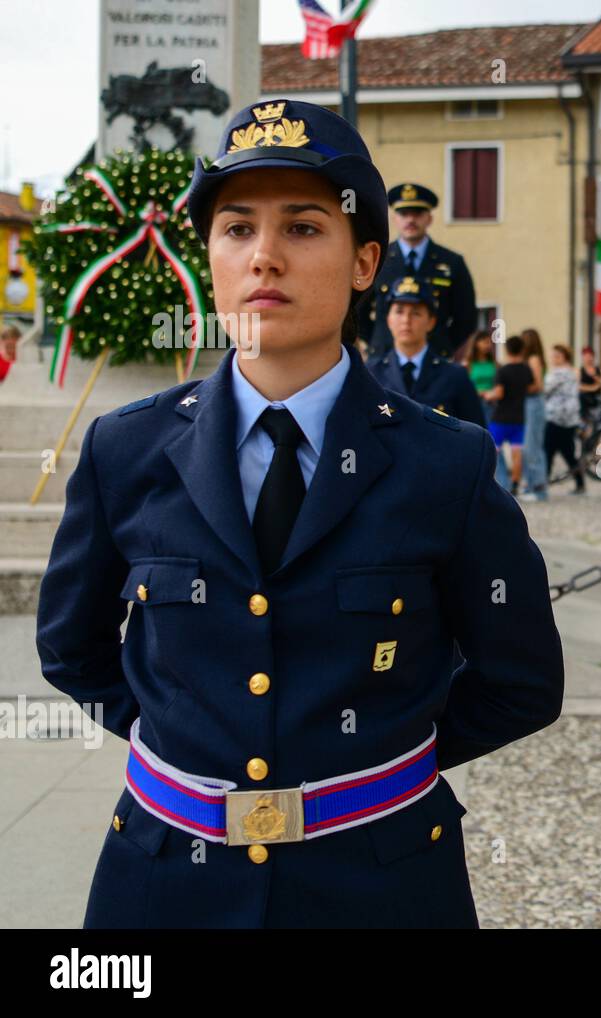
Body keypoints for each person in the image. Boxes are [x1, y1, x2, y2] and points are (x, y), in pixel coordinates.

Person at [34, 100, 564, 929]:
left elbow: (521, 682)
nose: (265, 257)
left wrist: (372, 763)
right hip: (166, 879)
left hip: (380, 882)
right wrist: (182, 745)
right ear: (208, 255)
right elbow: (71, 647)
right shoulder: (124, 452)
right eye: (237, 228)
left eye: (305, 228)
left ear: (365, 264)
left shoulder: (443, 463)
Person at [357, 182, 476, 360]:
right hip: (384, 361)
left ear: (429, 218)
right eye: (404, 214)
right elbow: (358, 311)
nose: (410, 220)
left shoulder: (452, 263)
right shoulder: (377, 259)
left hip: (434, 362)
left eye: (418, 213)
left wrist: (442, 346)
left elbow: (466, 318)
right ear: (394, 218)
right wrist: (378, 342)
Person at [366, 276, 484, 427]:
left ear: (431, 322)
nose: (406, 320)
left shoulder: (455, 377)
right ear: (388, 319)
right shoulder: (371, 374)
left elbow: (475, 436)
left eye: (416, 313)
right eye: (399, 311)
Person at [488, 334, 535, 495]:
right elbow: (531, 388)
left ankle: (488, 482)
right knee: (516, 453)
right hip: (519, 418)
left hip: (500, 417)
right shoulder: (526, 369)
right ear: (522, 350)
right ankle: (515, 484)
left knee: (492, 451)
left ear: (507, 350)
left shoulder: (503, 370)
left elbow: (499, 393)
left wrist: (488, 395)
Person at [542, 345, 585, 495]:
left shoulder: (558, 374)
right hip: (570, 418)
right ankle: (580, 483)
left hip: (556, 416)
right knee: (568, 452)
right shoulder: (574, 372)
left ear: (564, 357)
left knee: (548, 451)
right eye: (553, 355)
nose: (553, 359)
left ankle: (543, 483)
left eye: (556, 356)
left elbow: (544, 390)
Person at [518, 328, 549, 502]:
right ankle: (530, 485)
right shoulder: (529, 359)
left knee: (533, 447)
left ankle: (539, 488)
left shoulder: (533, 359)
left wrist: (518, 389)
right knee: (528, 446)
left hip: (533, 403)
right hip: (528, 403)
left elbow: (538, 385)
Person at [463, 329, 498, 424]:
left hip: (491, 403)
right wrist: (480, 392)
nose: (489, 345)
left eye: (489, 342)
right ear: (476, 343)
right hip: (474, 402)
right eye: (485, 342)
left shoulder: (494, 363)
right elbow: (464, 386)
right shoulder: (468, 364)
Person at [578, 345, 601, 422]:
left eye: (590, 356)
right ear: (583, 357)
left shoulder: (600, 369)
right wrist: (594, 387)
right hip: (584, 404)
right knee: (586, 423)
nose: (588, 358)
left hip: (597, 401)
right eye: (586, 356)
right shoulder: (579, 370)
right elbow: (578, 386)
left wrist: (598, 380)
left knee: (600, 422)